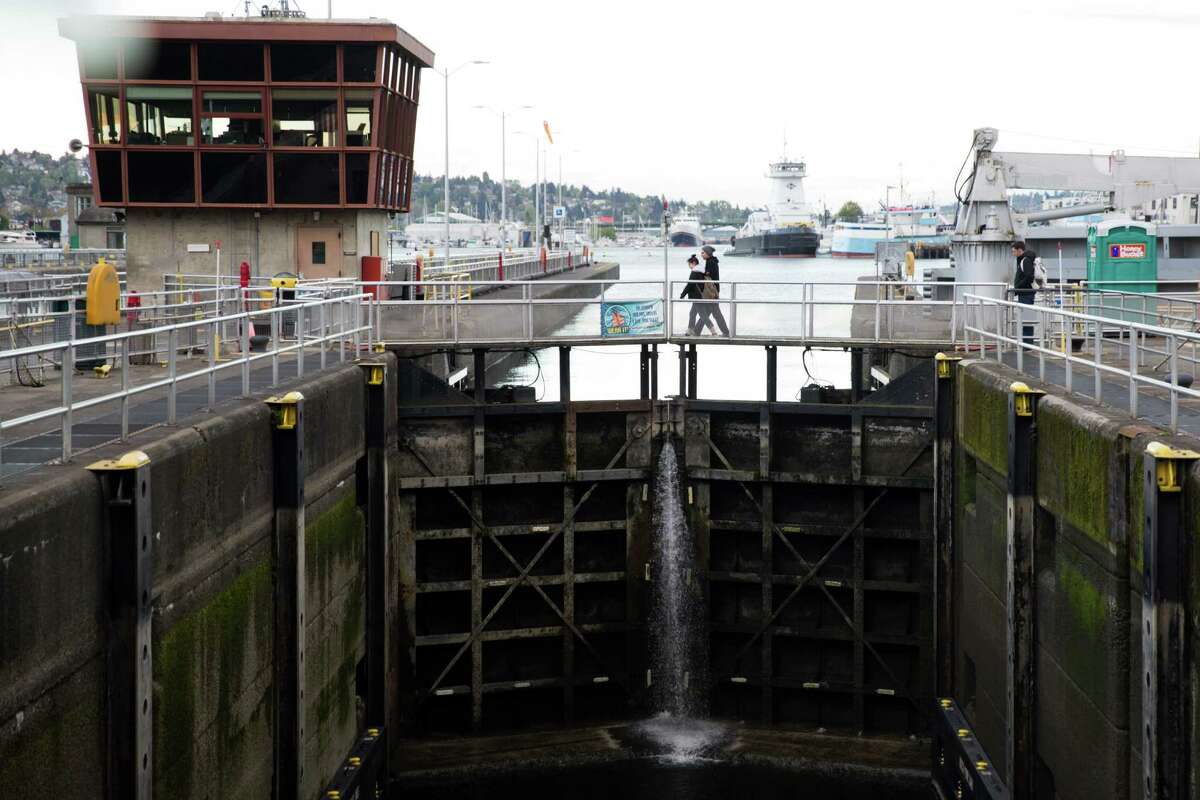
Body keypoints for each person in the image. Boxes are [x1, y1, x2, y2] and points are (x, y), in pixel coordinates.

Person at [681, 254, 717, 335]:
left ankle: (713, 331)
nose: (689, 266)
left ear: (693, 263)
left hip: (697, 296)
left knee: (702, 314)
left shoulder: (695, 272)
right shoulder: (701, 271)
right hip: (700, 295)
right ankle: (690, 329)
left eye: (689, 264)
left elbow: (690, 284)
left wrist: (682, 294)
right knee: (692, 313)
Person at [700, 245, 731, 336]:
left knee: (714, 313)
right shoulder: (711, 261)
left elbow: (707, 274)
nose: (701, 254)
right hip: (713, 290)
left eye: (703, 253)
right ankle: (697, 331)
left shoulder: (711, 262)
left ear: (708, 253)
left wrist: (697, 272)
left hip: (712, 292)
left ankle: (726, 332)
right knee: (708, 312)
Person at [1012, 240, 1037, 345]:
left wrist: (1019, 286)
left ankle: (1027, 344)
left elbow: (1029, 277)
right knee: (1026, 320)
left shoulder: (1025, 260)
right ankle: (1026, 343)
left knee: (1026, 320)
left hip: (1026, 293)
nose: (1013, 253)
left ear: (1019, 250)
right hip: (1025, 293)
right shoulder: (1024, 260)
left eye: (1014, 251)